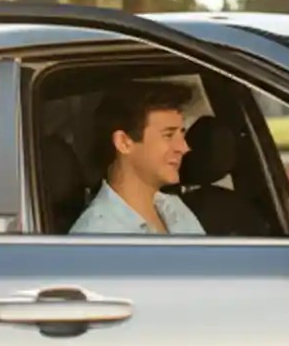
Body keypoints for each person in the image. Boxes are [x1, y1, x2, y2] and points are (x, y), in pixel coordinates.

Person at [69, 80, 206, 235]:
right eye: (168, 135)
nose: (184, 147)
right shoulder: (98, 236)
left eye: (182, 134)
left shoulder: (173, 208)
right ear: (124, 143)